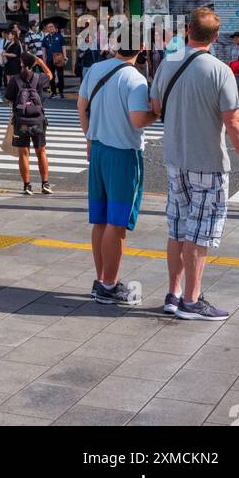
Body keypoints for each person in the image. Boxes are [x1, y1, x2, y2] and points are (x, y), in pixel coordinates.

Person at [150, 7, 239, 321]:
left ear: (187, 32)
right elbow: (234, 121)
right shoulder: (219, 70)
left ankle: (174, 293)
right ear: (216, 36)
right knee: (200, 233)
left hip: (175, 160)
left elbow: (155, 106)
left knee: (178, 228)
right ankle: (193, 302)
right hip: (207, 163)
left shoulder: (168, 62)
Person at [77, 36, 158, 306]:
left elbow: (81, 105)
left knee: (100, 220)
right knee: (117, 222)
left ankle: (100, 280)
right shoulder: (135, 80)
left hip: (98, 149)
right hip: (123, 155)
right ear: (142, 48)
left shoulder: (96, 69)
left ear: (114, 45)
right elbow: (138, 120)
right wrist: (155, 112)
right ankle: (109, 286)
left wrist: (89, 138)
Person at [5, 49, 53, 196]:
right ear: (34, 63)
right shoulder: (39, 78)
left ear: (21, 63)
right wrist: (42, 63)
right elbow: (50, 76)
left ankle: (27, 185)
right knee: (41, 151)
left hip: (21, 120)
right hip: (38, 119)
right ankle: (45, 184)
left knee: (24, 153)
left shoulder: (14, 79)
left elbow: (8, 98)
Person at [42, 21, 67, 100]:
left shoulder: (59, 37)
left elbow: (63, 47)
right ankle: (53, 92)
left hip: (59, 59)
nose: (51, 28)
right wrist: (44, 61)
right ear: (47, 29)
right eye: (49, 27)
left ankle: (61, 92)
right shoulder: (45, 39)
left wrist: (65, 57)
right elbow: (43, 51)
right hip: (49, 60)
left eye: (52, 26)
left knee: (60, 76)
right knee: (51, 76)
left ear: (55, 28)